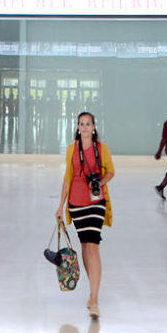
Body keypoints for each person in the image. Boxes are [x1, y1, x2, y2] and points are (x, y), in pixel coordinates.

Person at [54, 111, 114, 319]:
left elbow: (111, 171)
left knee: (93, 245)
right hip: (76, 203)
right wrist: (60, 206)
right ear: (78, 127)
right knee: (85, 247)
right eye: (82, 124)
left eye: (88, 124)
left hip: (96, 202)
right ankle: (92, 290)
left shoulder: (102, 149)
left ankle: (94, 299)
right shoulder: (72, 149)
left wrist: (99, 183)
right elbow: (67, 178)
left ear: (94, 127)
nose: (85, 127)